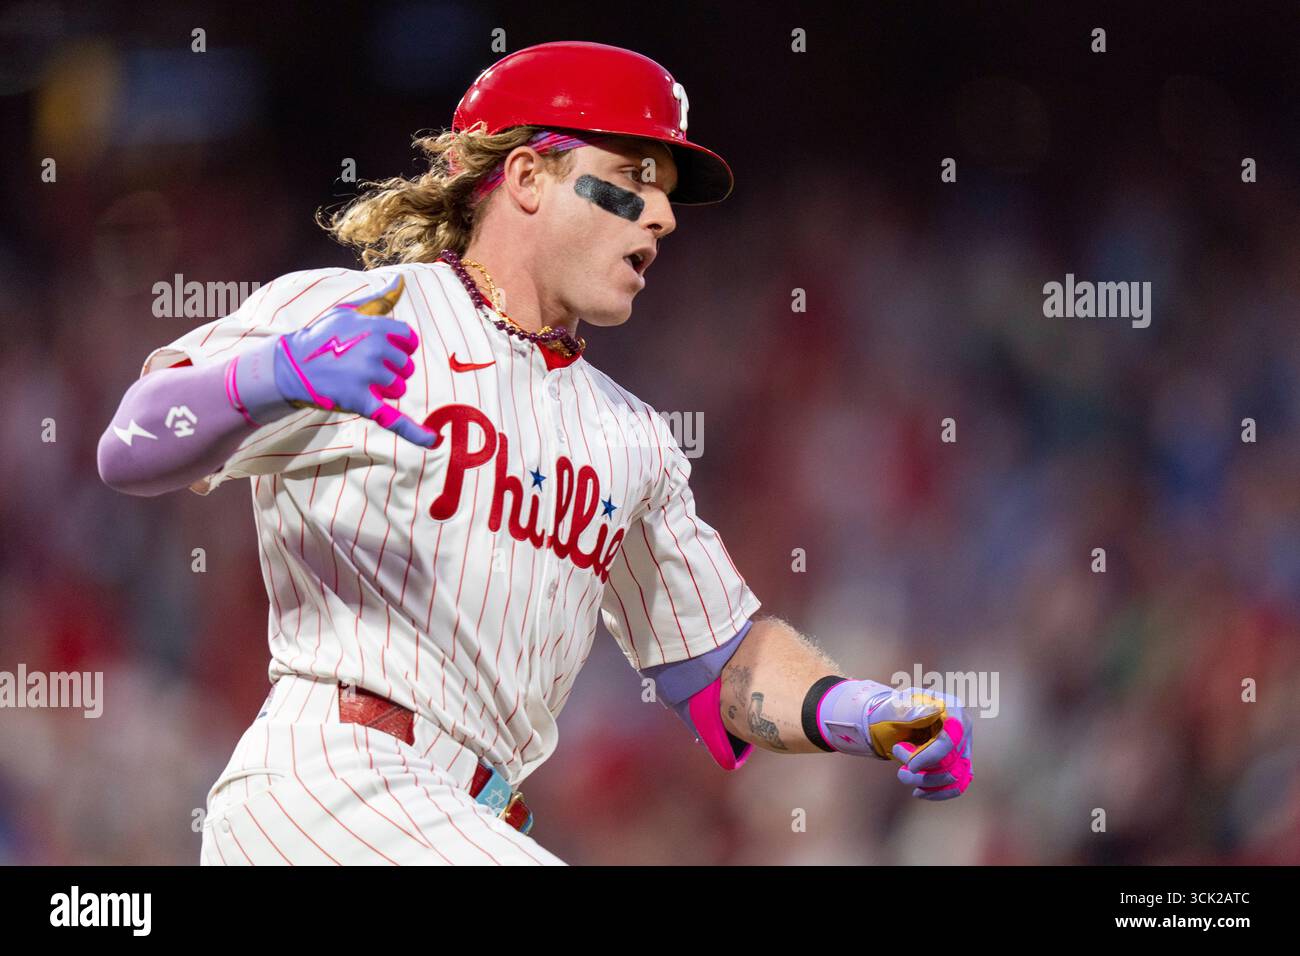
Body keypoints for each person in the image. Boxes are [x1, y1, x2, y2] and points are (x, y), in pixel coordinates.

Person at [96, 40, 972, 866]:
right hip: (331, 785)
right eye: (633, 180)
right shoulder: (369, 313)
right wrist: (272, 375)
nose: (663, 215)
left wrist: (866, 711)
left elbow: (719, 668)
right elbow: (129, 445)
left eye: (665, 192)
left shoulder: (631, 437)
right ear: (526, 176)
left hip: (460, 814)